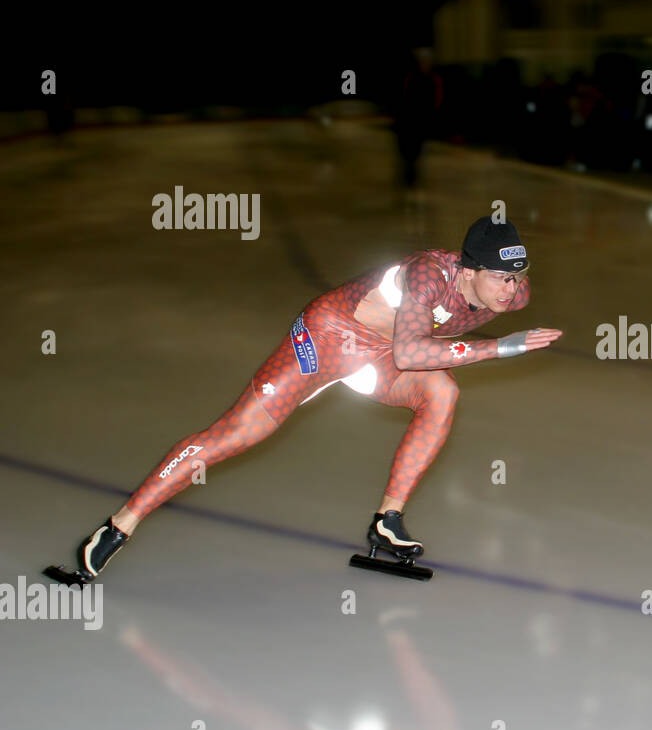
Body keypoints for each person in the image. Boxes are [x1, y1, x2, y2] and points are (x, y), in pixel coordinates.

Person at [53, 217, 562, 584]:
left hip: (381, 354)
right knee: (236, 434)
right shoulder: (430, 274)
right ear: (469, 270)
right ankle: (117, 527)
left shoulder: (513, 293)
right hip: (328, 337)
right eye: (500, 277)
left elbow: (406, 354)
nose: (510, 291)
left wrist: (495, 329)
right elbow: (411, 351)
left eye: (516, 277)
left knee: (443, 393)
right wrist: (498, 347)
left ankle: (387, 521)